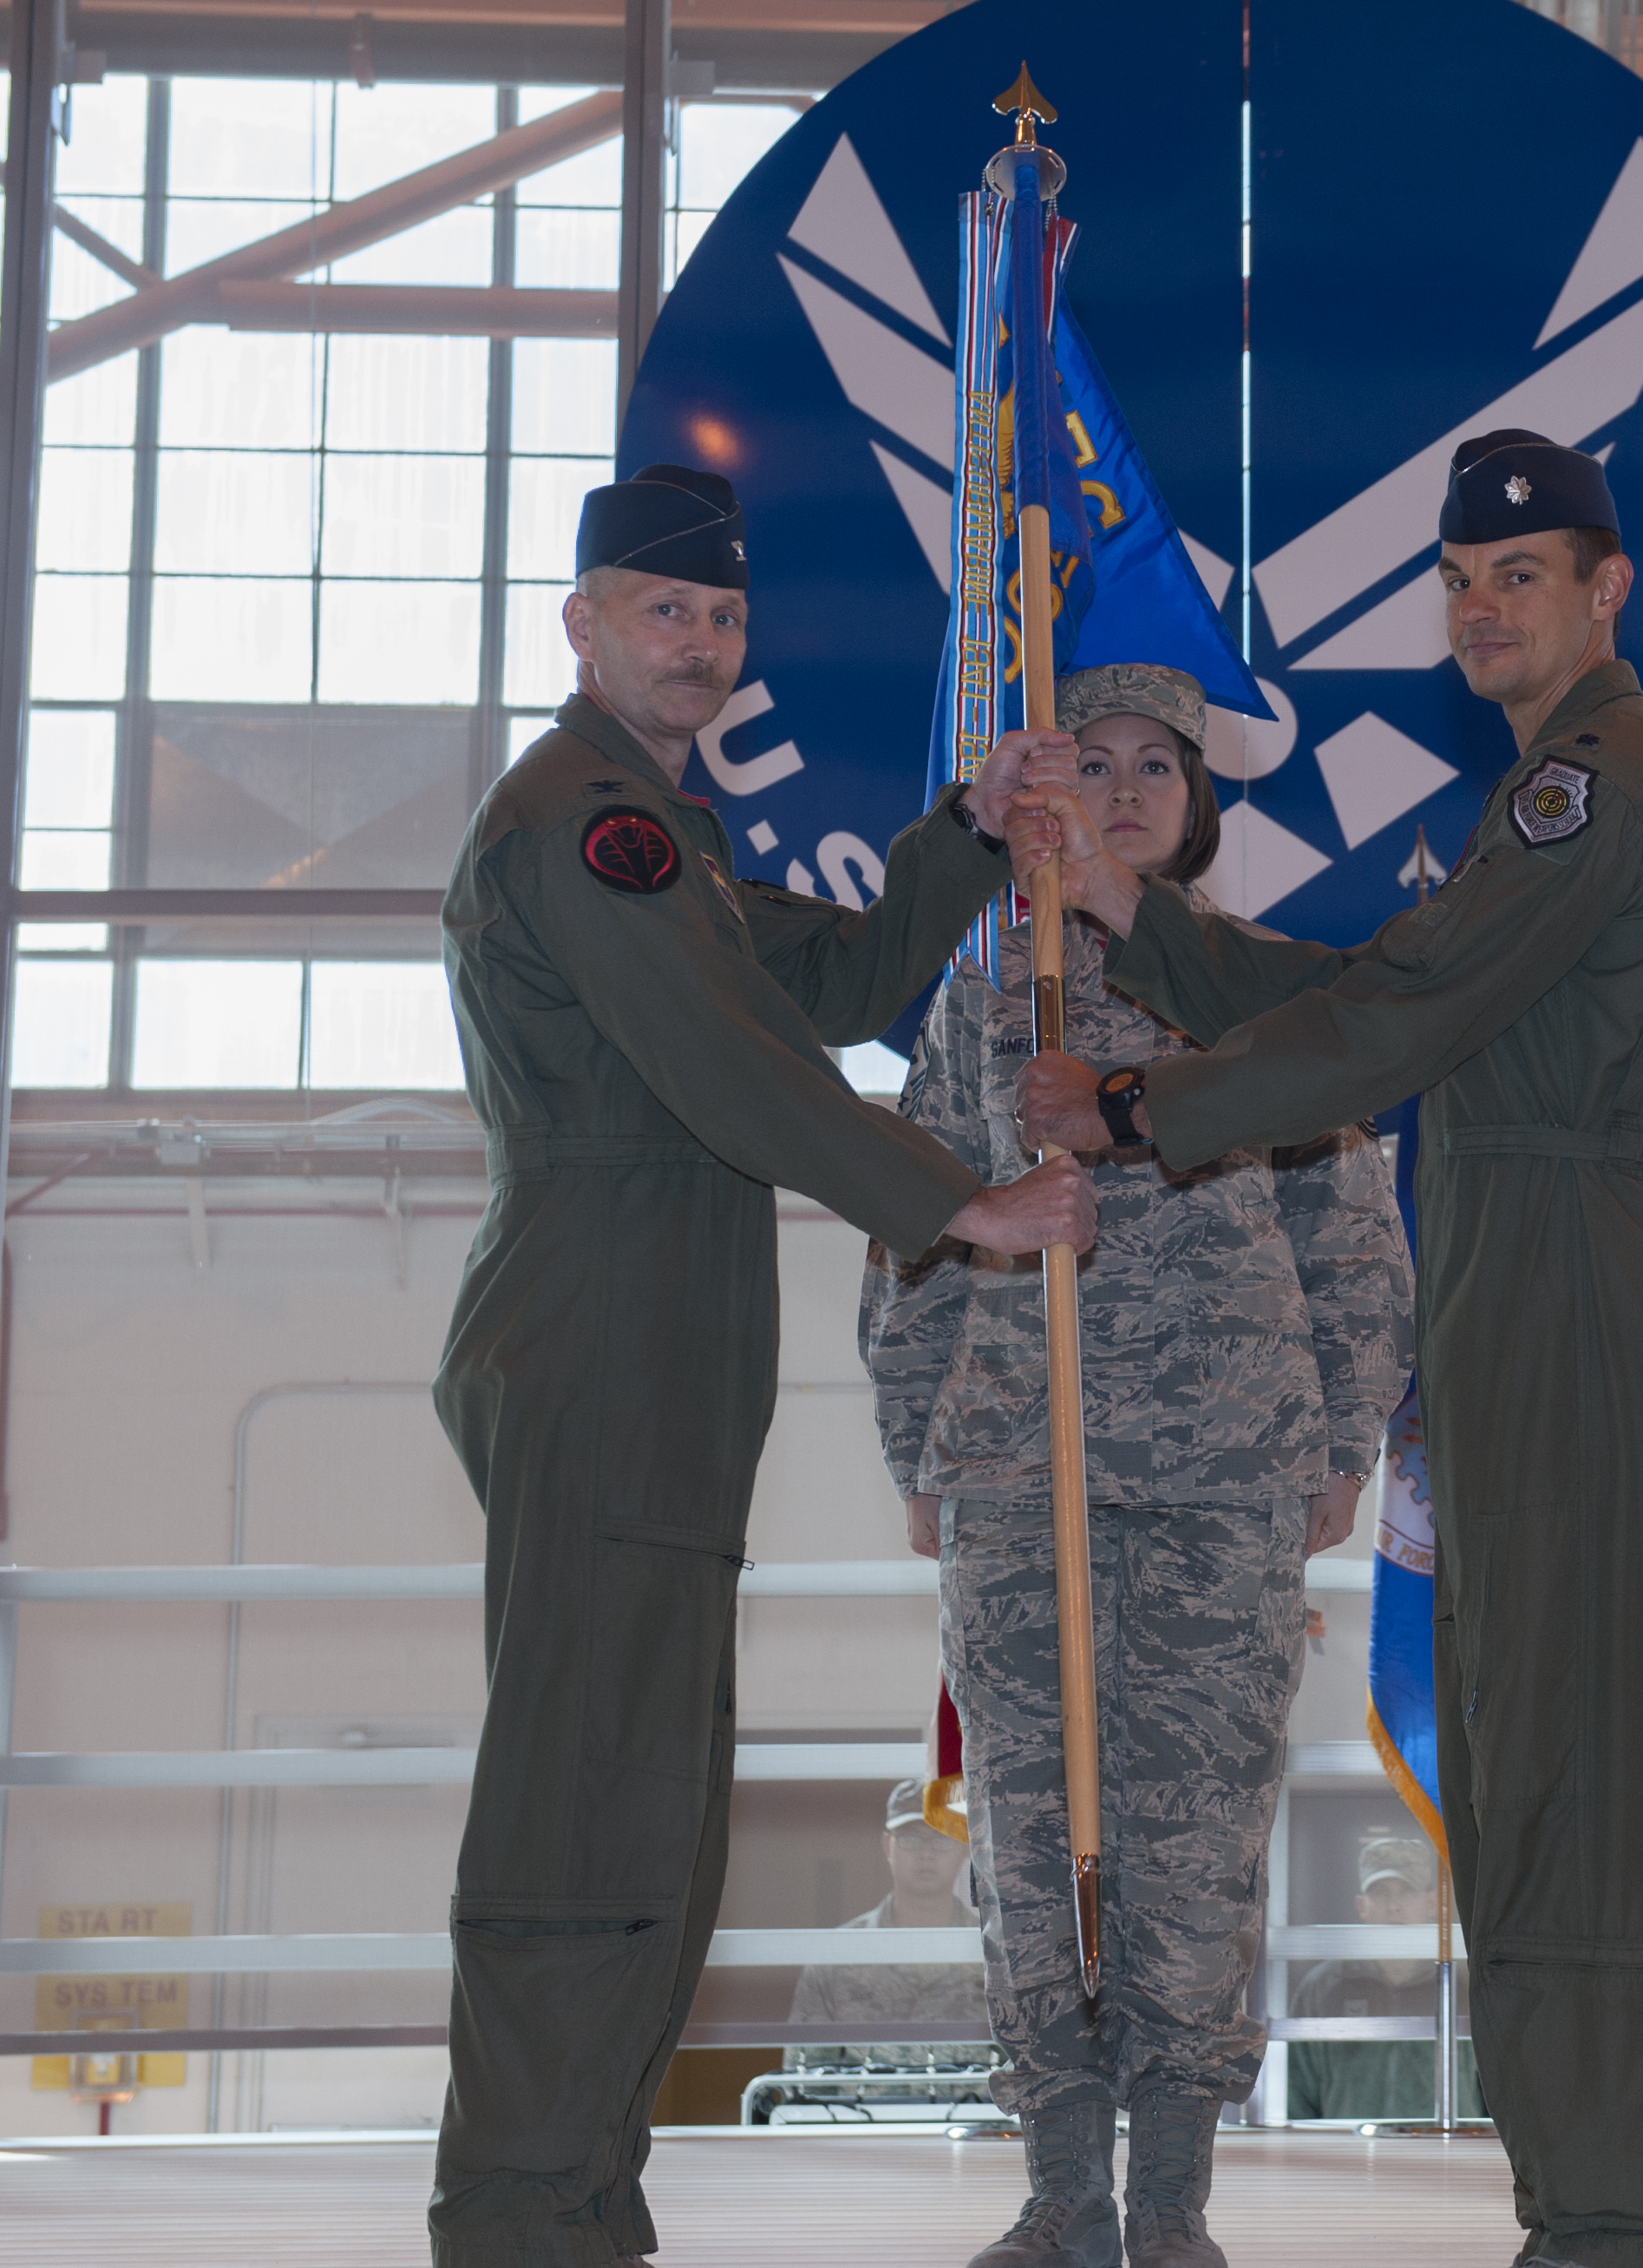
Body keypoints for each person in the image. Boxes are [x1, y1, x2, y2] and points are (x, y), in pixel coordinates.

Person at [1018, 433, 1643, 2268]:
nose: (1482, 607)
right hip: (1524, 1271)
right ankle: (1585, 2201)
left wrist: (1134, 1103)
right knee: (1522, 1763)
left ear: (1608, 589)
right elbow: (1373, 989)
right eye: (1460, 579)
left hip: (1570, 1274)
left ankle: (1614, 2220)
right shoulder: (1547, 793)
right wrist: (1135, 918)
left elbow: (1396, 1018)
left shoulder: (1596, 784)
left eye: (1524, 574)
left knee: (1569, 1772)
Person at [429, 463, 1097, 2268]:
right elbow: (731, 1059)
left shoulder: (675, 836)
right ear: (583, 624)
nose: (704, 641)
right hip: (602, 1319)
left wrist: (966, 827)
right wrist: (959, 1204)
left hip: (656, 1334)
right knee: (587, 1796)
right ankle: (520, 2211)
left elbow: (846, 980)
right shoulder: (589, 823)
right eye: (668, 609)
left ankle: (575, 2193)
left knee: (647, 1794)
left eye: (725, 616)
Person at [861, 662, 1413, 2268]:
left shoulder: (1256, 1003)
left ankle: (1169, 2200)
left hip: (1222, 1474)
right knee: (1030, 1839)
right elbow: (907, 1228)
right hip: (1017, 1471)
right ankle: (1061, 2194)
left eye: (1153, 766)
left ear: (1196, 803)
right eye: (1087, 763)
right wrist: (916, 1442)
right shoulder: (982, 1005)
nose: (1119, 788)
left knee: (1195, 1840)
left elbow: (1351, 1237)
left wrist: (1342, 1437)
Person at [784, 1779, 992, 2087]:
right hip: (862, 2119)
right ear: (887, 1845)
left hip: (968, 2117)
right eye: (910, 1838)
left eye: (941, 1838)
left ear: (964, 1847)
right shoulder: (835, 1959)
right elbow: (802, 2083)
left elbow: (1015, 2074)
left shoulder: (992, 1953)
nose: (926, 1853)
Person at [1282, 1829, 1483, 2124]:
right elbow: (1296, 2095)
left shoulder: (1465, 1986)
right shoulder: (1324, 1986)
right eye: (1380, 1892)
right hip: (1348, 2149)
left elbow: (1497, 2093)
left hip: (1446, 2149)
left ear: (1432, 1903)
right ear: (1361, 1906)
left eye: (1407, 1891)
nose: (1394, 1906)